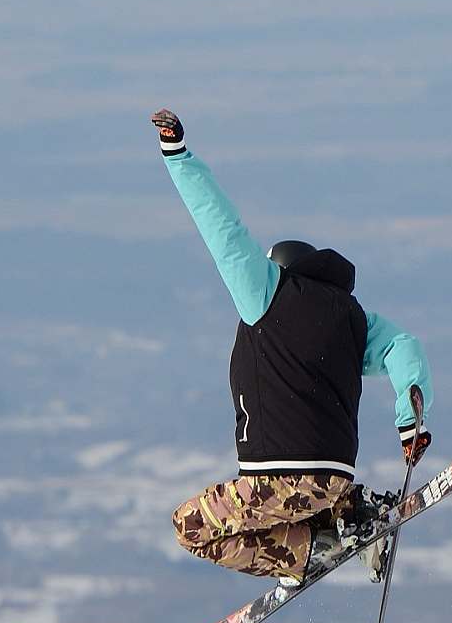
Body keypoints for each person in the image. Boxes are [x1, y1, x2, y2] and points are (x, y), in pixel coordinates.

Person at [151, 108, 433, 588]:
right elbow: (403, 348)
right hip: (334, 480)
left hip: (279, 481)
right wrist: (410, 421)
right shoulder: (353, 318)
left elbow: (223, 230)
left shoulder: (265, 291)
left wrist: (177, 155)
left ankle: (312, 551)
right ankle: (351, 517)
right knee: (300, 503)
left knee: (192, 528)